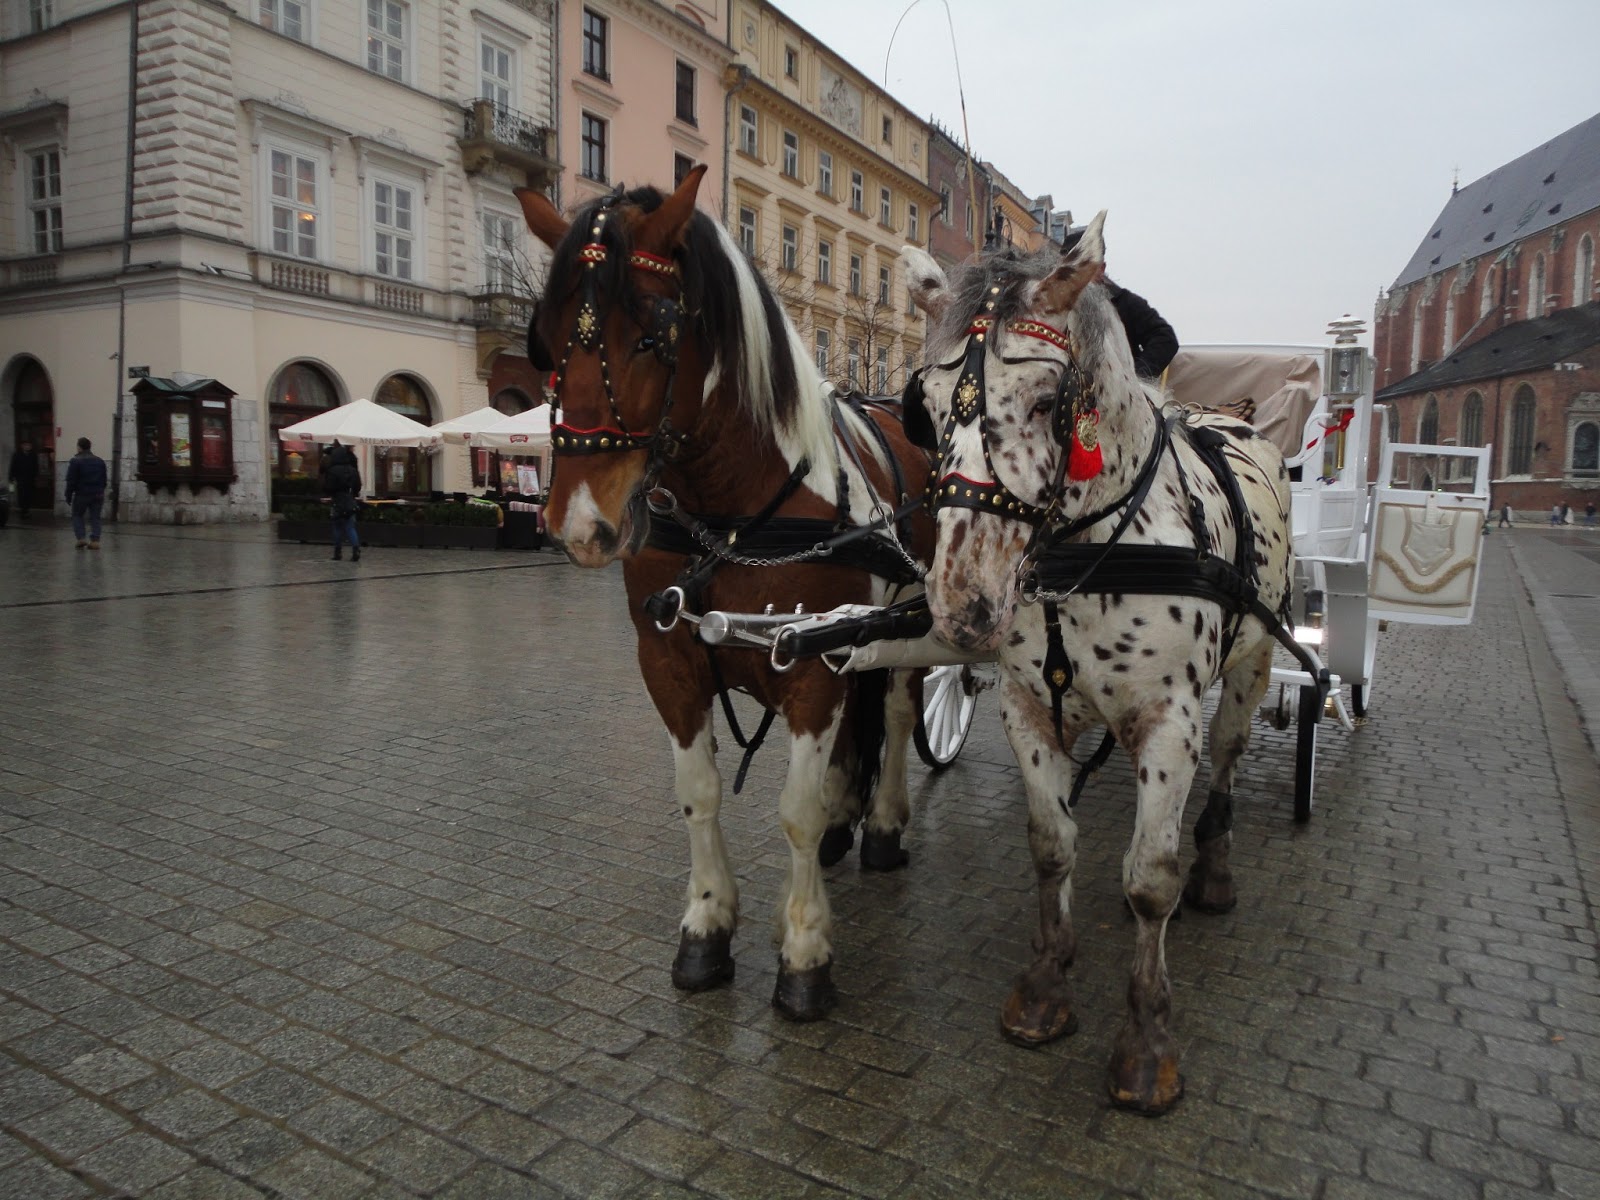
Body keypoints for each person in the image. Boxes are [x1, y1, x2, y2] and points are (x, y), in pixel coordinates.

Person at [1060, 226, 1178, 379]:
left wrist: (1135, 377)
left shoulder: (1125, 303)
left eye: (1085, 267)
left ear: (1101, 269)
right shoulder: (1054, 307)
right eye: (1070, 269)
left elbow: (1165, 338)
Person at [63, 437, 108, 549]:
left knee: (77, 515)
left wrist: (68, 495)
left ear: (79, 447)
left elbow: (71, 480)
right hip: (97, 493)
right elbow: (104, 479)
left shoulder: (75, 461)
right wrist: (101, 490)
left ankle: (81, 538)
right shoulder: (99, 461)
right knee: (95, 517)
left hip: (82, 493)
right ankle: (95, 540)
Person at [322, 443, 362, 562]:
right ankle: (356, 549)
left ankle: (338, 552)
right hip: (350, 500)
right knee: (350, 526)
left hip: (337, 500)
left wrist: (331, 494)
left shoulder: (332, 470)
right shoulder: (353, 470)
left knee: (337, 526)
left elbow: (328, 487)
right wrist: (353, 494)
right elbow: (358, 486)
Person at [7, 438, 39, 518]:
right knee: (21, 495)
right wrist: (11, 477)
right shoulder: (17, 454)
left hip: (30, 479)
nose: (28, 447)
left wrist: (36, 476)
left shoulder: (33, 454)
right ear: (22, 446)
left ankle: (26, 510)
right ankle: (23, 511)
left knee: (29, 495)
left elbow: (36, 466)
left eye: (29, 445)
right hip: (20, 478)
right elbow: (13, 466)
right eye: (26, 445)